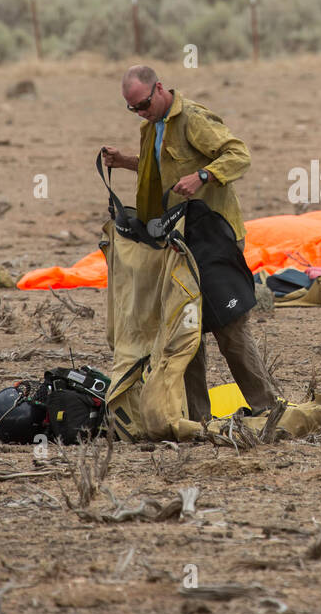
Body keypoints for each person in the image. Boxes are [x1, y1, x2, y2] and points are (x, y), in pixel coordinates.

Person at [100, 65, 277, 421]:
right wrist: (125, 162)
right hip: (178, 241)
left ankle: (266, 409)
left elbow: (239, 154)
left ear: (160, 89)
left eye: (144, 103)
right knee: (185, 332)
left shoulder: (193, 119)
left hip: (214, 239)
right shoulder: (149, 127)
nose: (140, 112)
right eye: (132, 108)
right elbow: (160, 170)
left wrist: (203, 176)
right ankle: (198, 418)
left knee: (229, 328)